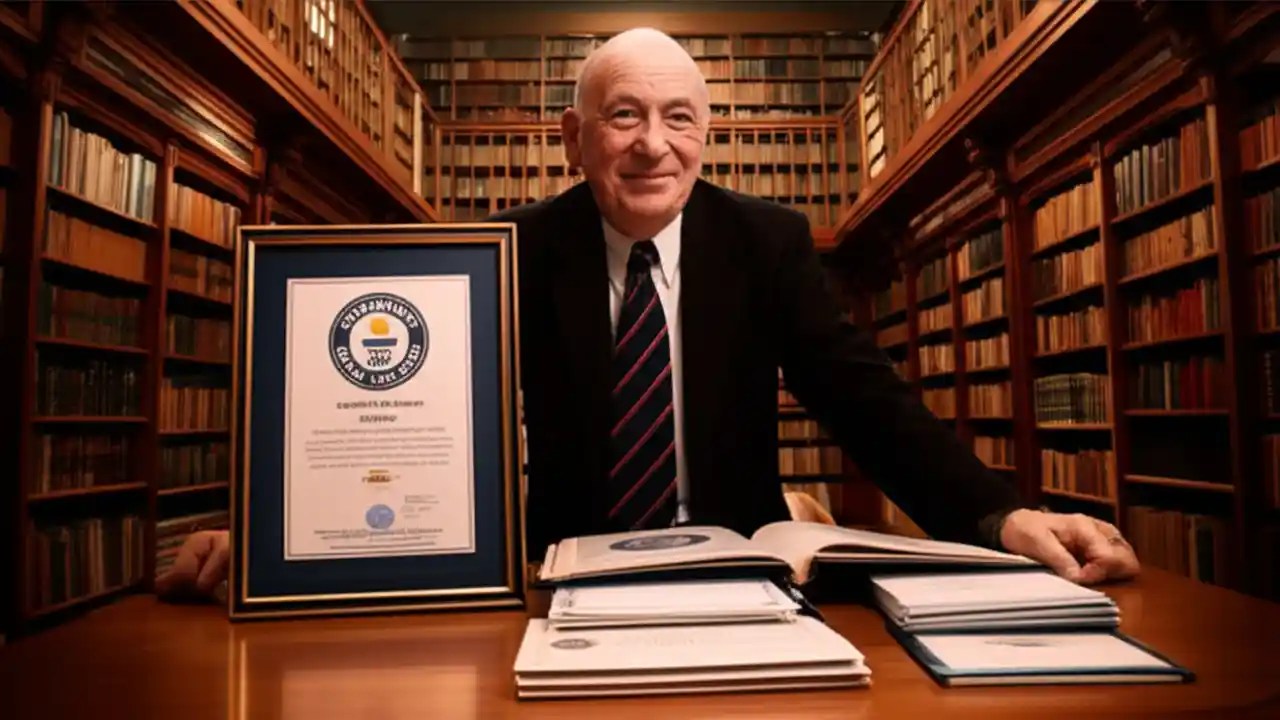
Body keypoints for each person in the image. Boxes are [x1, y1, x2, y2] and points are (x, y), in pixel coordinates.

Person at [156, 28, 1138, 602]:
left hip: (739, 580)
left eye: (678, 119)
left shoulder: (765, 241)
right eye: (623, 116)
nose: (651, 146)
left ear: (706, 134)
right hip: (554, 582)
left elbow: (861, 397)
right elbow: (404, 412)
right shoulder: (508, 252)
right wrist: (283, 537)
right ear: (574, 137)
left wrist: (997, 513)